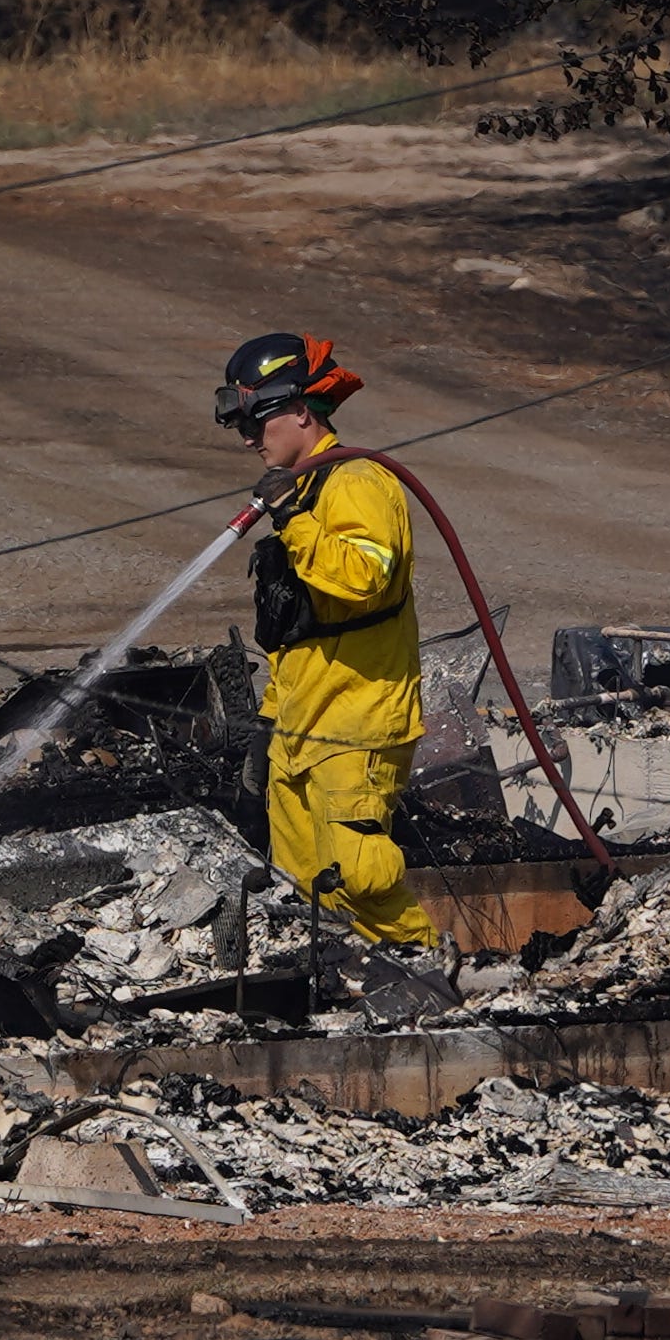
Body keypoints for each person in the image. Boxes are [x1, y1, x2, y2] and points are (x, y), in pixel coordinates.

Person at [215, 330, 437, 951]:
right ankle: (351, 992)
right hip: (299, 728)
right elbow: (297, 633)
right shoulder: (303, 492)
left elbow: (366, 577)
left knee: (361, 879)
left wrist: (293, 517)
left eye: (259, 421)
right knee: (305, 886)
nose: (250, 438)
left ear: (301, 412)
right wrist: (268, 724)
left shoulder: (356, 482)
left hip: (357, 723)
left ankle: (433, 982)